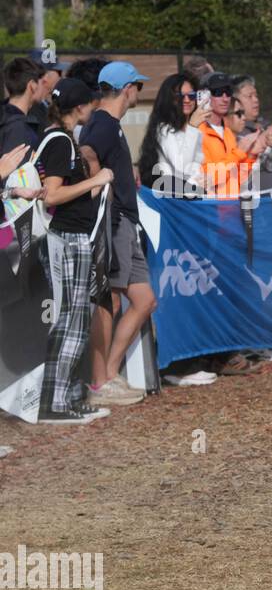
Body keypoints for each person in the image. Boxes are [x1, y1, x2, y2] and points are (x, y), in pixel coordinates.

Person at [36, 78, 115, 423]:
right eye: (91, 103)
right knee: (71, 322)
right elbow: (51, 195)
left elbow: (69, 195)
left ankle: (66, 396)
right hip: (68, 241)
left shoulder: (64, 140)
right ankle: (55, 403)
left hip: (72, 237)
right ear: (80, 107)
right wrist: (95, 181)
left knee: (75, 321)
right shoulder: (60, 142)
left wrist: (94, 187)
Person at [81, 61, 153, 407]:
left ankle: (109, 374)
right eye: (138, 85)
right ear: (127, 89)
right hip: (114, 222)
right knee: (107, 300)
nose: (139, 91)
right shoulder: (103, 125)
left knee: (143, 300)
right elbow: (87, 154)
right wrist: (94, 185)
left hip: (125, 220)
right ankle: (100, 383)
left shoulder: (109, 124)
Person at [138, 73, 208, 196]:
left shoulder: (193, 129)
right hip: (172, 202)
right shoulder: (164, 129)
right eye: (179, 96)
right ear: (169, 99)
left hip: (190, 197)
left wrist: (202, 180)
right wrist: (193, 127)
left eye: (191, 96)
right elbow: (180, 166)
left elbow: (195, 164)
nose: (186, 100)